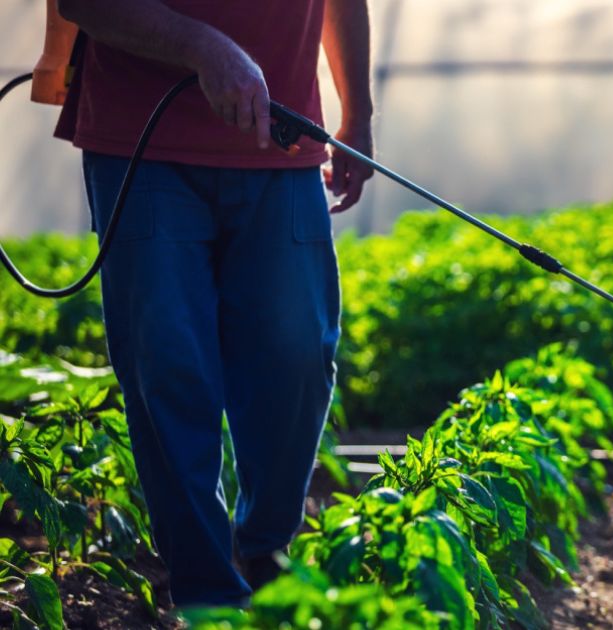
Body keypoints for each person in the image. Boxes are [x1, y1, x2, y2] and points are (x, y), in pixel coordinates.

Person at [53, 0, 373, 608]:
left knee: (299, 351)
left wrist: (356, 115)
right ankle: (208, 598)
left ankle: (267, 550)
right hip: (141, 143)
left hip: (283, 135)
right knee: (167, 367)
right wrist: (204, 47)